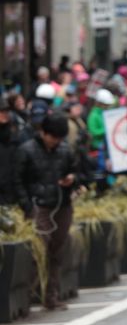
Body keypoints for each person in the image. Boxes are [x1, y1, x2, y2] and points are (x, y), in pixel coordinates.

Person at [14, 114, 81, 310]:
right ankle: (28, 296)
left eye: (59, 138)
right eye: (53, 137)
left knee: (58, 251)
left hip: (62, 204)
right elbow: (17, 182)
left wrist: (71, 179)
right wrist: (27, 206)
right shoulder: (26, 150)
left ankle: (51, 295)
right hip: (38, 206)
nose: (56, 142)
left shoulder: (65, 150)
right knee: (38, 251)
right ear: (43, 132)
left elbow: (76, 172)